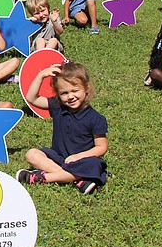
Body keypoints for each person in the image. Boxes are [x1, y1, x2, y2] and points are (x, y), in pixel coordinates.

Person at [18, 61, 108, 195]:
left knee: (94, 165)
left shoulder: (95, 118)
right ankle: (77, 180)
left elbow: (101, 147)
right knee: (32, 154)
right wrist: (41, 75)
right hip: (58, 158)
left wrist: (78, 157)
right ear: (58, 94)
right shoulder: (57, 106)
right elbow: (32, 98)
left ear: (87, 88)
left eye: (75, 91)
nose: (70, 96)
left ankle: (43, 178)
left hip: (83, 160)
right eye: (64, 93)